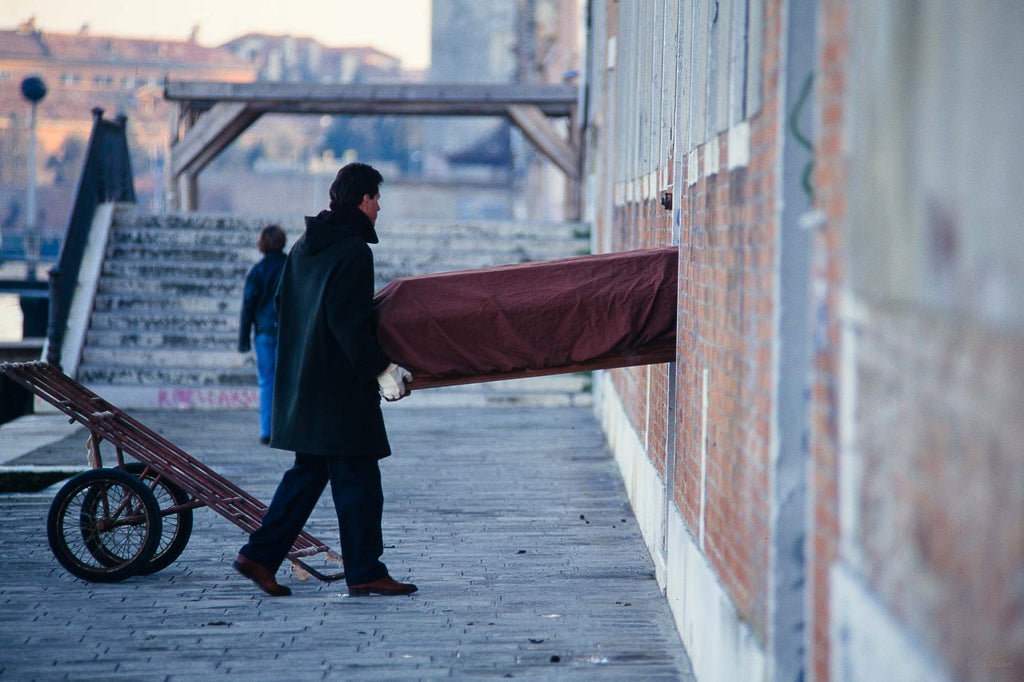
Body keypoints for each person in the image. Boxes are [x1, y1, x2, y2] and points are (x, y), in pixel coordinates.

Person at [233, 162, 416, 597]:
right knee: (360, 485)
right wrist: (382, 369)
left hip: (305, 385)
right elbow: (349, 323)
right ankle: (365, 569)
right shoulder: (354, 251)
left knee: (308, 477)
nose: (378, 208)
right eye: (376, 199)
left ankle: (259, 556)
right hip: (340, 394)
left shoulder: (303, 247)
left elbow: (282, 307)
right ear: (362, 199)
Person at [238, 224, 287, 446]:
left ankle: (267, 431)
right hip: (288, 332)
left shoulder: (257, 271)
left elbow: (248, 305)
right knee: (287, 381)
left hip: (264, 332)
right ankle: (286, 429)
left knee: (266, 381)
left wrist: (243, 339)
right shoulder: (291, 267)